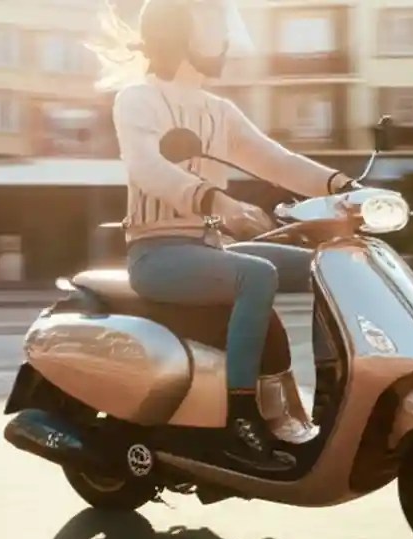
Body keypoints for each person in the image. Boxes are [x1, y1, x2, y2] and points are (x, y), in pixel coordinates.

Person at [92, 0, 358, 473]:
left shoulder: (220, 110)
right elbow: (146, 166)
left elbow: (277, 161)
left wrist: (345, 187)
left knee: (328, 263)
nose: (225, 36)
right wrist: (217, 202)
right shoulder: (137, 99)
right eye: (213, 24)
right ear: (180, 31)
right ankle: (240, 416)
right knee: (255, 277)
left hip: (208, 250)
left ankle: (335, 394)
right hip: (157, 254)